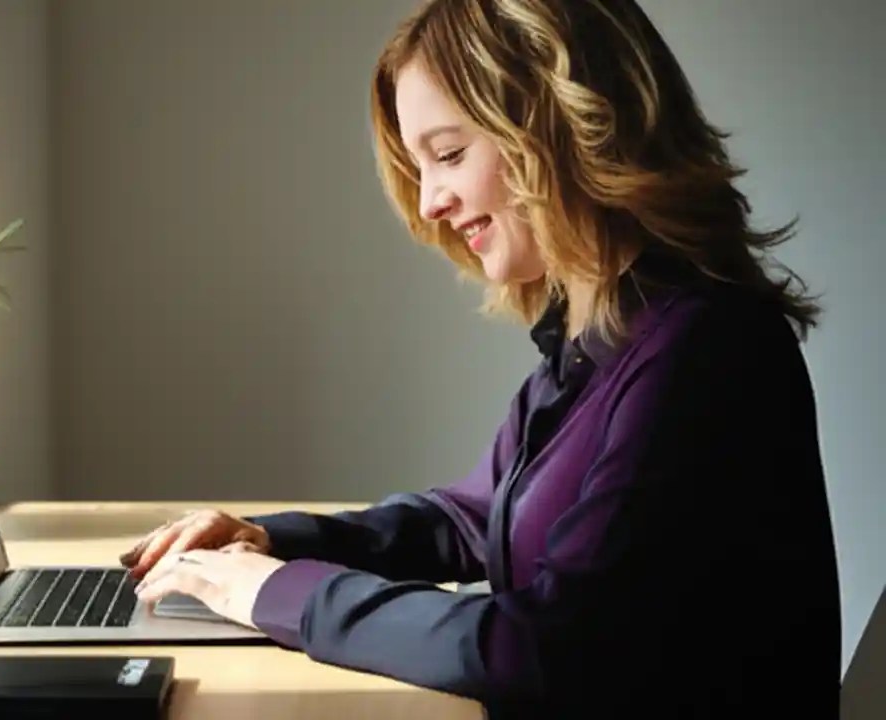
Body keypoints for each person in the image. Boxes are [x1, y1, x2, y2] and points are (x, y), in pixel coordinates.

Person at [122, 0, 842, 717]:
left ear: (557, 127)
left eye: (450, 154)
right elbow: (475, 519)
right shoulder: (598, 338)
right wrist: (271, 541)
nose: (431, 201)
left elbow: (544, 646)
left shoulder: (701, 351)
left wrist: (274, 593)